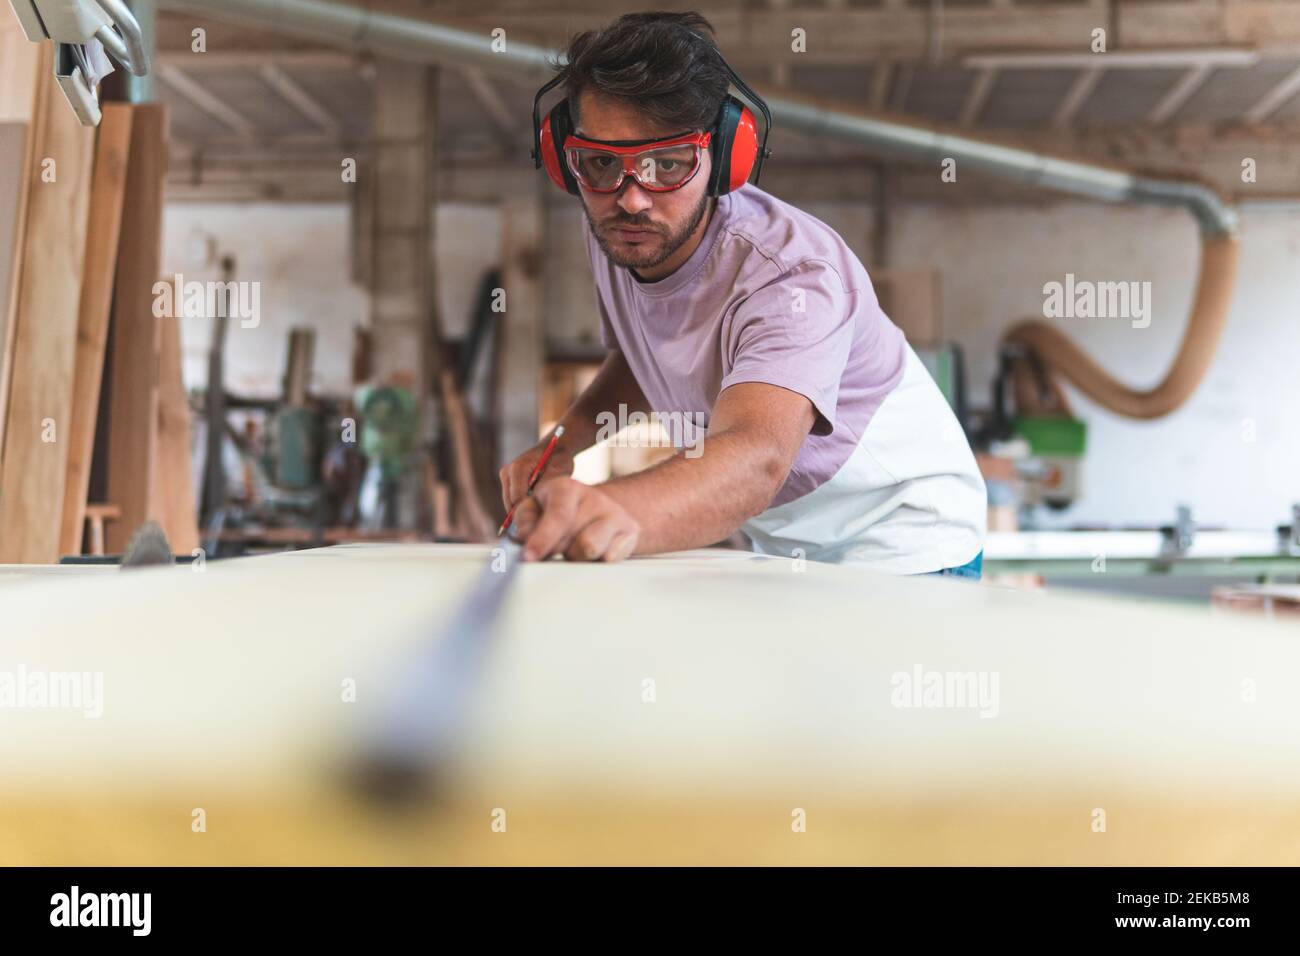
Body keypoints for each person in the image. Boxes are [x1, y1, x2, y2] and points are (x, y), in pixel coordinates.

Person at [501, 11, 986, 575]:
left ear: (724, 156)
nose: (631, 198)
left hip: (904, 538)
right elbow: (644, 355)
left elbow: (756, 457)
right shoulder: (621, 232)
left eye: (668, 163)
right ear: (567, 160)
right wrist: (565, 440)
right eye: (602, 162)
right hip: (793, 540)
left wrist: (613, 507)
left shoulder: (790, 276)